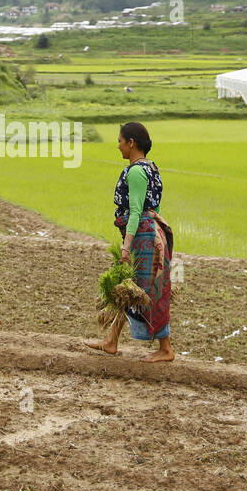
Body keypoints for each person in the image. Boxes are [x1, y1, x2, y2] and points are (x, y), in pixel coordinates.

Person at [86, 122, 175, 362]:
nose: (118, 146)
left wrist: (127, 245)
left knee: (146, 291)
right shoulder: (150, 168)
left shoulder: (136, 171)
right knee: (131, 289)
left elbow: (136, 212)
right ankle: (111, 341)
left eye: (120, 141)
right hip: (149, 233)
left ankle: (166, 349)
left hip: (144, 237)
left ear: (131, 143)